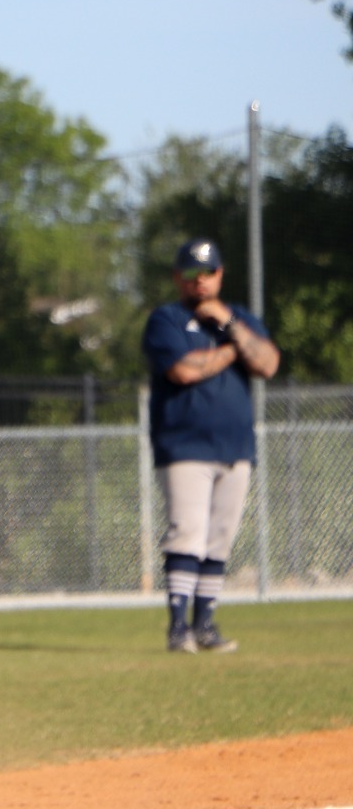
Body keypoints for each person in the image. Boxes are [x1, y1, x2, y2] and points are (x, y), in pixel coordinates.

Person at [142, 238, 280, 653]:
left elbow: (268, 364)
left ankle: (204, 625)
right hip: (184, 444)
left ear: (219, 274)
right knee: (187, 533)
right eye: (190, 273)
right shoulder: (166, 319)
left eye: (207, 272)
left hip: (235, 446)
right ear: (177, 277)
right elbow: (184, 371)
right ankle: (178, 629)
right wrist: (232, 352)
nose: (199, 281)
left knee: (220, 538)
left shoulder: (239, 318)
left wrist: (230, 325)